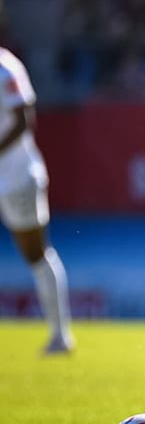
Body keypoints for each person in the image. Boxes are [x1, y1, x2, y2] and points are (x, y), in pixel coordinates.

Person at [0, 47, 74, 354]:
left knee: (35, 254)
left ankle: (60, 336)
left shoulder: (4, 67)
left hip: (15, 176)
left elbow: (23, 120)